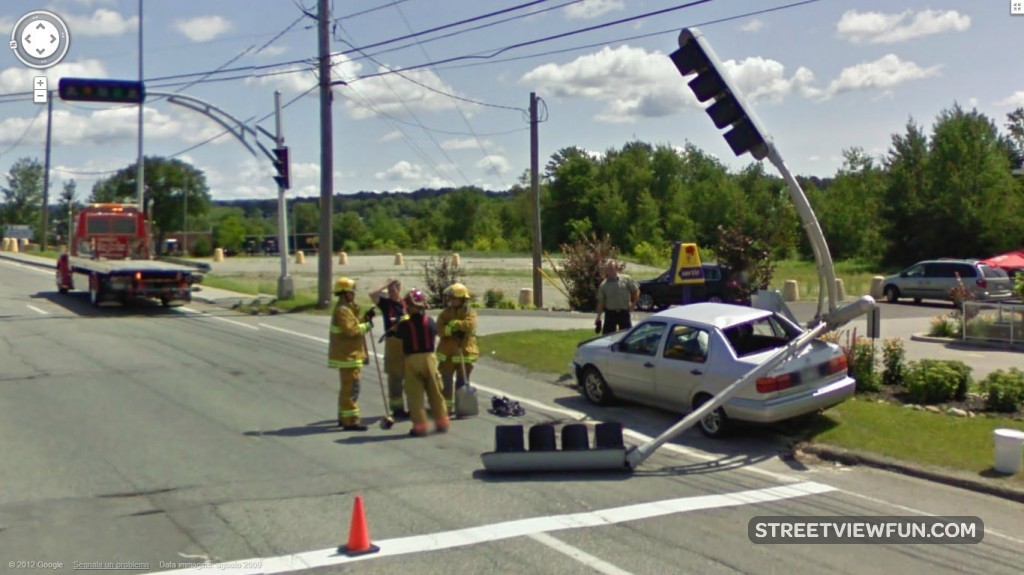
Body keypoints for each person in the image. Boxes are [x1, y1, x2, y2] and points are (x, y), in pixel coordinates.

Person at [394, 288, 449, 437]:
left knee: (415, 395)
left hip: (412, 360)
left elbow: (398, 336)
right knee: (435, 392)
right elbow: (434, 333)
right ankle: (442, 421)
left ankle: (420, 426)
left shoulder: (405, 325)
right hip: (430, 359)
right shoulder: (430, 321)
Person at [328, 277, 375, 431]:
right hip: (348, 356)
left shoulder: (346, 308)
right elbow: (351, 330)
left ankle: (344, 417)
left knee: (347, 388)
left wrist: (365, 318)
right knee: (351, 389)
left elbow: (353, 322)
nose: (354, 294)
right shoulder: (343, 310)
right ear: (344, 294)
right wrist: (366, 325)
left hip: (348, 355)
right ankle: (351, 421)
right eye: (351, 292)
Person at [436, 282, 478, 416]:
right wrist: (450, 330)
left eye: (454, 298)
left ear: (462, 299)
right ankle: (445, 409)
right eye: (450, 298)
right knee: (446, 383)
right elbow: (439, 329)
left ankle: (462, 408)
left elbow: (470, 325)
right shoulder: (444, 313)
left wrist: (456, 324)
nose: (451, 301)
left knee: (462, 383)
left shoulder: (469, 312)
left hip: (464, 354)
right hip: (447, 354)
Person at [370, 278, 409, 418]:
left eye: (395, 288)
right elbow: (372, 295)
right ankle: (397, 409)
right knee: (395, 377)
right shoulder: (386, 304)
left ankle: (412, 406)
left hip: (407, 343)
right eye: (390, 289)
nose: (393, 291)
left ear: (399, 288)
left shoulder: (405, 303)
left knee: (410, 376)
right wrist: (384, 284)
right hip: (393, 342)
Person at [595, 260, 639, 335]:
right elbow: (601, 302)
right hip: (610, 313)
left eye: (611, 268)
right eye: (608, 269)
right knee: (607, 336)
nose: (610, 271)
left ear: (616, 268)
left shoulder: (626, 279)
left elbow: (636, 291)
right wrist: (598, 317)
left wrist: (633, 304)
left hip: (624, 312)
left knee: (627, 336)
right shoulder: (604, 285)